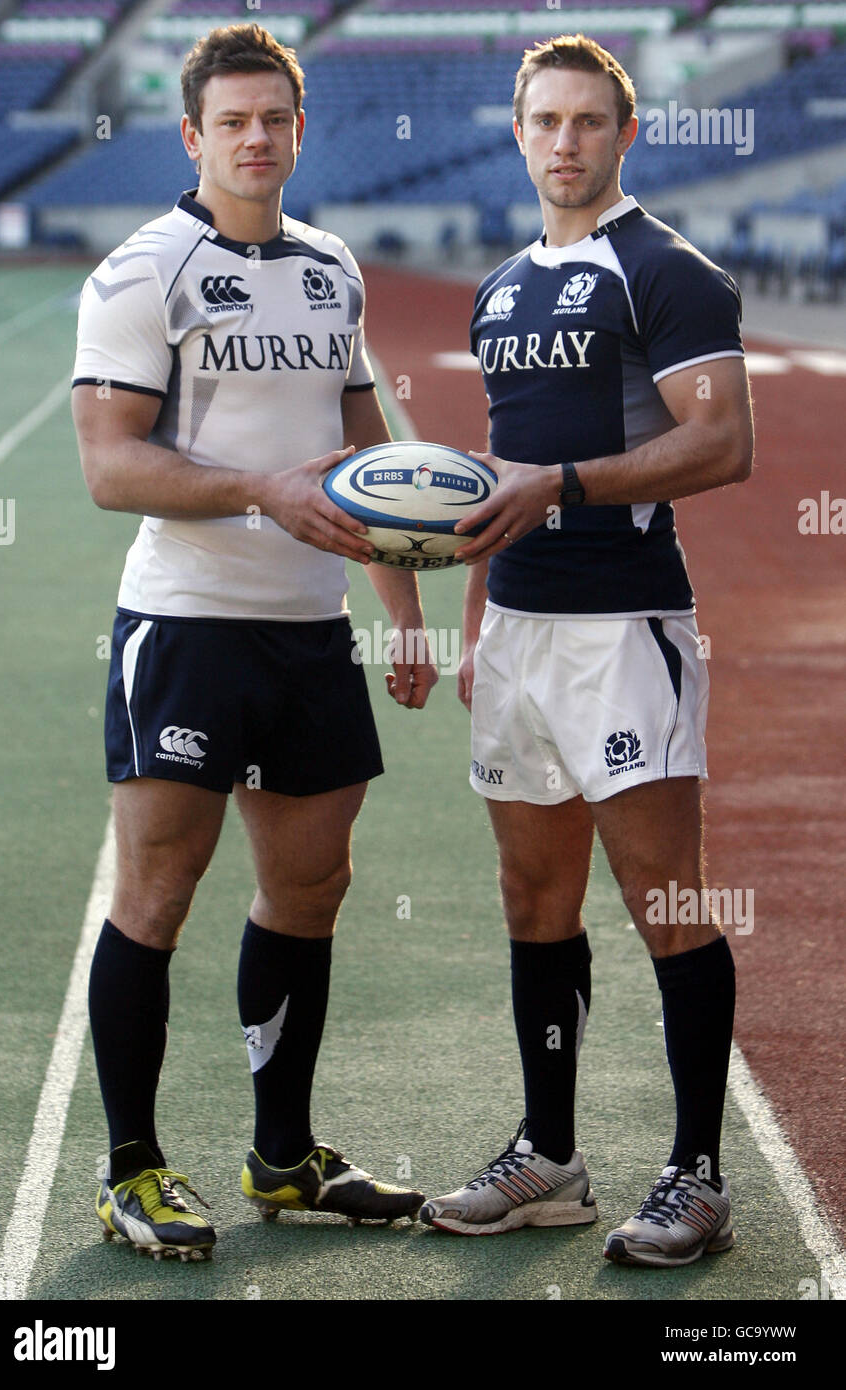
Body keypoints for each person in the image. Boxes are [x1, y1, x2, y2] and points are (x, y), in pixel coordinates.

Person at [71, 22, 437, 1261]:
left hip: (311, 632)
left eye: (276, 117)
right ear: (193, 134)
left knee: (312, 888)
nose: (258, 137)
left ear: (298, 125)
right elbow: (111, 467)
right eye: (233, 120)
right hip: (186, 625)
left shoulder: (332, 267)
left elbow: (364, 447)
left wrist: (404, 607)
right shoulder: (142, 272)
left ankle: (284, 1156)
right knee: (160, 892)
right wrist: (261, 493)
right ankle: (133, 1170)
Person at [419, 33, 753, 1267]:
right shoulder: (500, 287)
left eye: (588, 123)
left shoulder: (667, 272)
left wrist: (563, 485)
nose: (565, 142)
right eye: (545, 122)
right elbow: (503, 472)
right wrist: (474, 622)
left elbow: (723, 445)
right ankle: (550, 1157)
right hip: (518, 630)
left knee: (666, 898)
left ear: (625, 135)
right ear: (519, 134)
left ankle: (699, 1175)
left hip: (624, 628)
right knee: (534, 899)